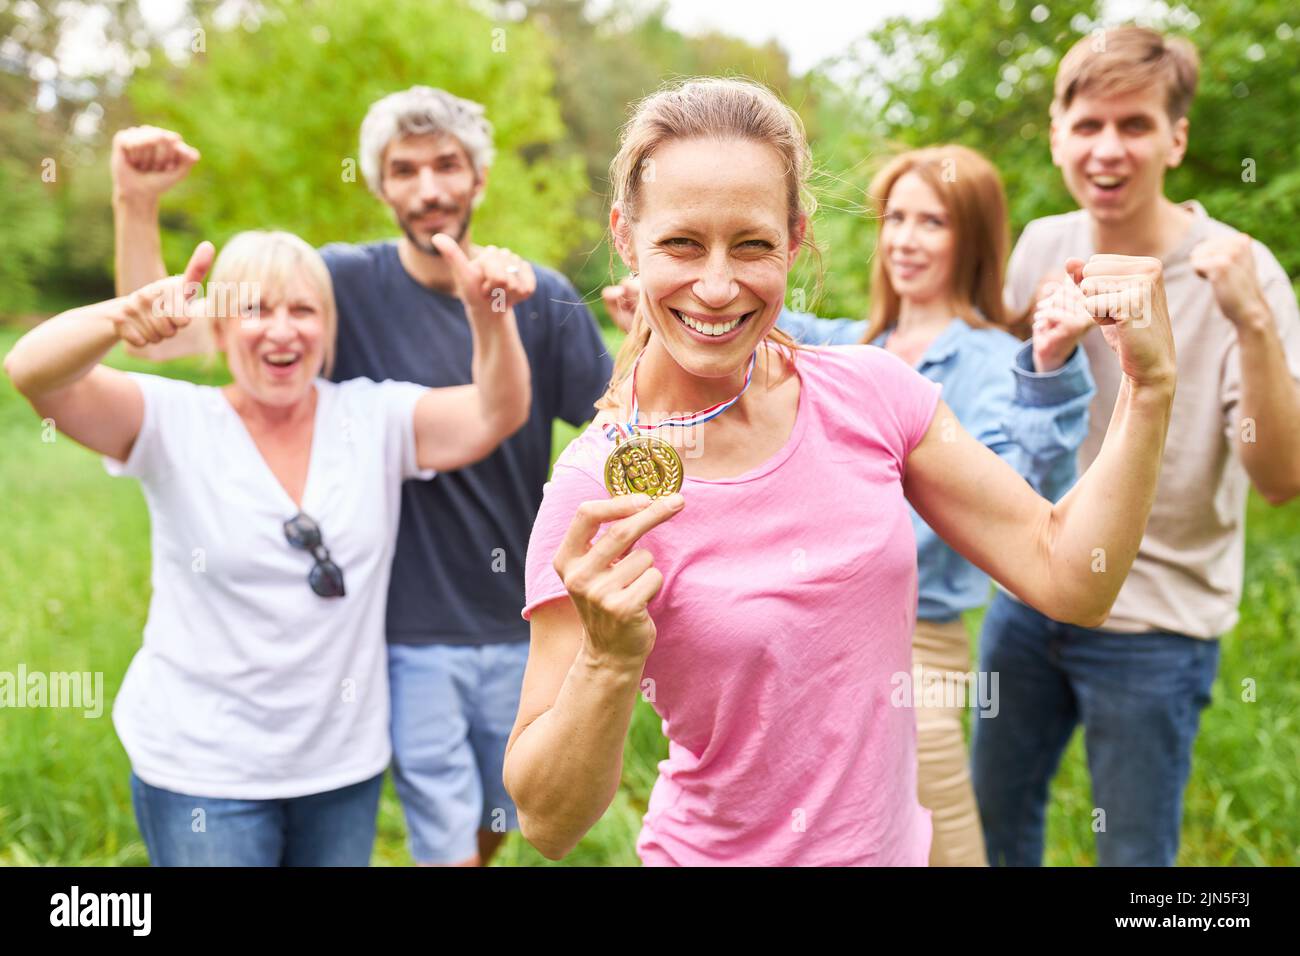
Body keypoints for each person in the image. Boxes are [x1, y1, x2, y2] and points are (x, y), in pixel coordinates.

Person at [503, 76, 1176, 866]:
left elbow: (1072, 576)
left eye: (751, 245)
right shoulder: (599, 488)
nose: (717, 286)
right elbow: (548, 824)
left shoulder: (874, 393)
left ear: (794, 237)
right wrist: (609, 660)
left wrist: (1150, 388)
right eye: (682, 243)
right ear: (626, 235)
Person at [109, 87, 613, 867]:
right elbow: (164, 337)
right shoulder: (340, 285)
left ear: (479, 178)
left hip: (525, 619)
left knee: (505, 815)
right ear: (380, 188)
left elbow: (614, 425)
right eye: (403, 171)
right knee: (442, 830)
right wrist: (136, 207)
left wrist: (655, 320)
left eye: (447, 166)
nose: (429, 189)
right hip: (406, 630)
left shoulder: (538, 295)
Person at [604, 144, 1096, 866]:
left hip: (913, 639)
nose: (905, 237)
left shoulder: (994, 359)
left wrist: (1053, 372)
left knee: (948, 846)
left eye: (933, 221)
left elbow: (1012, 508)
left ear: (974, 236)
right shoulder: (842, 343)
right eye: (895, 217)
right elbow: (727, 353)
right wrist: (657, 324)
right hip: (787, 640)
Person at [2, 229, 532, 866]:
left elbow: (496, 412)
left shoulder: (374, 419)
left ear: (327, 329)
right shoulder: (173, 420)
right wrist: (119, 317)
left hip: (341, 767)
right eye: (254, 309)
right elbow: (30, 372)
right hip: (205, 773)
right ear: (219, 332)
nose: (282, 330)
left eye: (303, 310)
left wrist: (488, 316)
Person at [971, 26, 1300, 868]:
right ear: (1056, 134)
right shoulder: (1043, 246)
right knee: (993, 832)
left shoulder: (1244, 271)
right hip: (1030, 594)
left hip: (1158, 623)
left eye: (1136, 125)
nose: (1108, 149)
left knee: (1136, 863)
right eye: (1087, 126)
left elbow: (1280, 478)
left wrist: (1252, 324)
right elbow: (1001, 409)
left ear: (1176, 138)